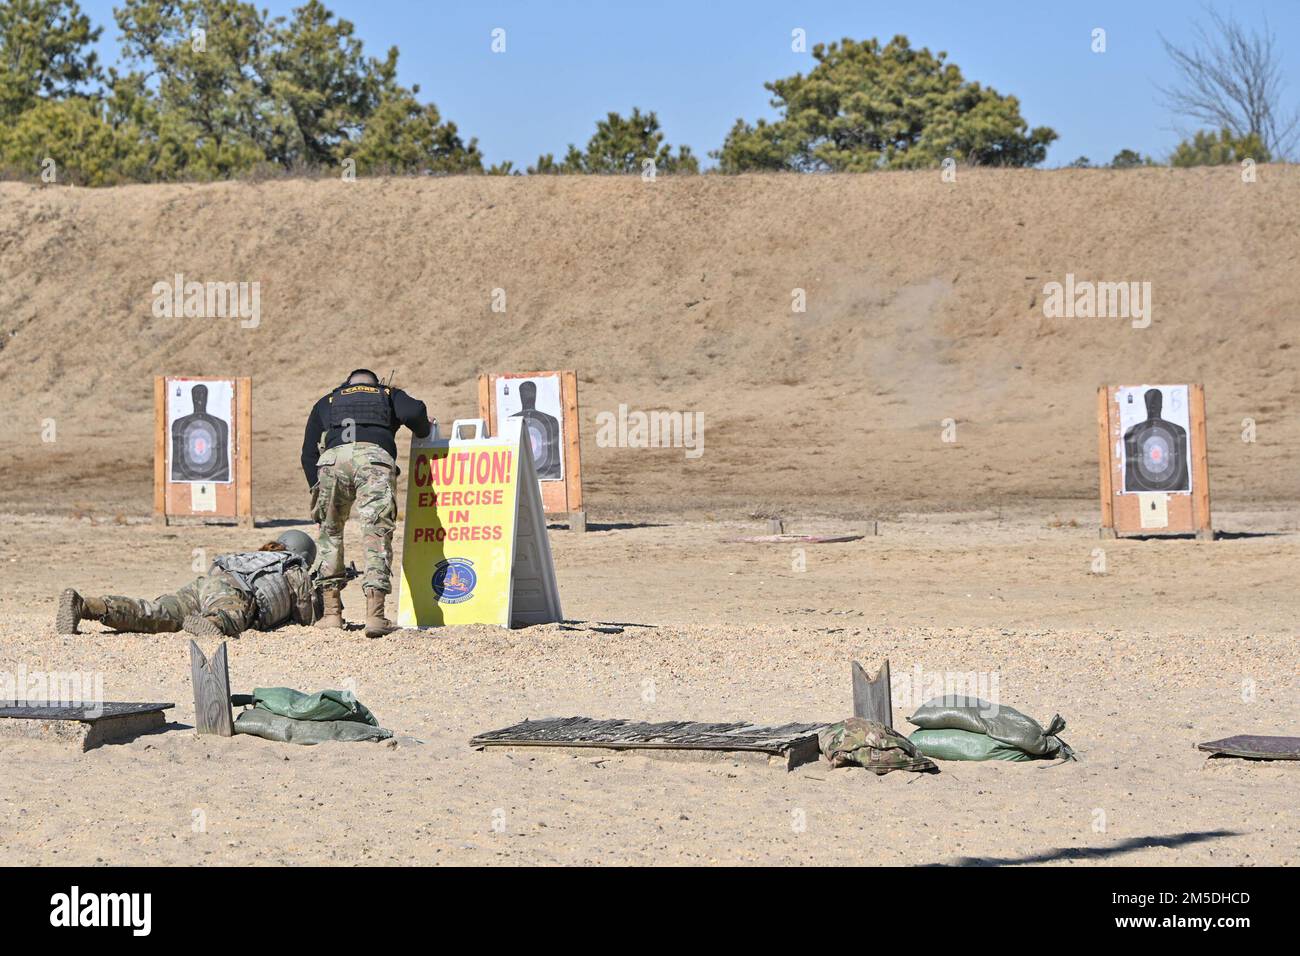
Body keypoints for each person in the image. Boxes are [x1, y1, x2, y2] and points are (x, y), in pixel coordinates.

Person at [301, 369, 432, 637]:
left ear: (346, 385)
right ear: (377, 384)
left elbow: (307, 453)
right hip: (374, 462)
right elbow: (415, 413)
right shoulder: (388, 394)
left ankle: (331, 614)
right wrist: (424, 428)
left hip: (332, 463)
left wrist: (317, 486)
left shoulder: (328, 400)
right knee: (375, 533)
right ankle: (375, 616)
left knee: (329, 534)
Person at [56, 530, 319, 638]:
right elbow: (306, 614)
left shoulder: (255, 555)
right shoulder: (293, 566)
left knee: (155, 611)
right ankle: (211, 622)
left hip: (205, 584)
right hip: (232, 593)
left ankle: (88, 606)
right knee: (230, 617)